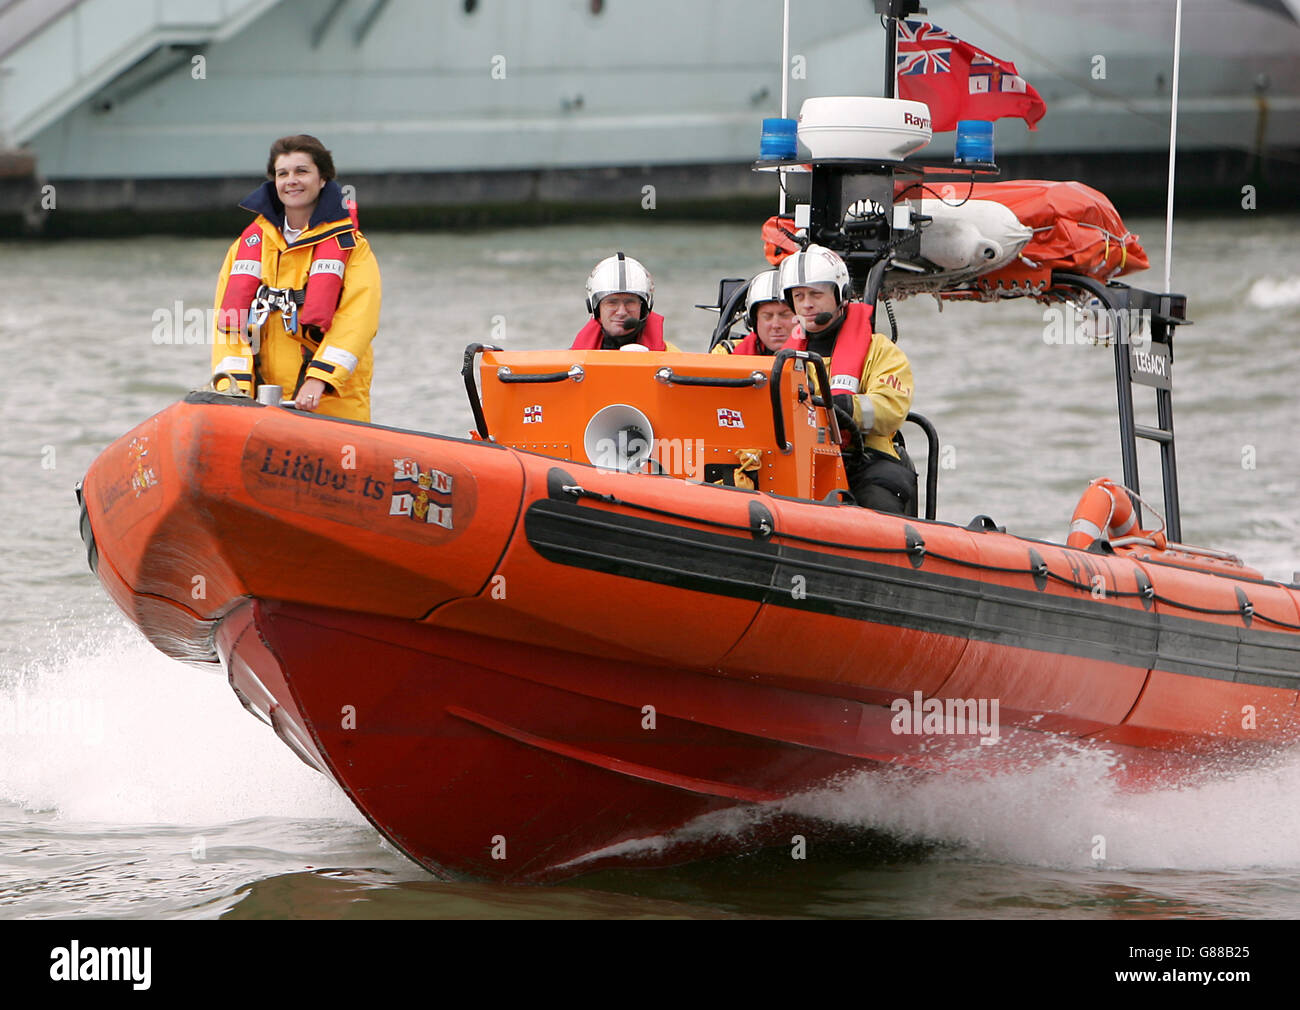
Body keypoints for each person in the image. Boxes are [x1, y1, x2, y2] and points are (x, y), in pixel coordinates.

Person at [211, 134, 380, 421]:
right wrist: (232, 389)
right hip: (259, 404)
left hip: (329, 403)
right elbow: (227, 323)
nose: (291, 180)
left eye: (302, 171)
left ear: (323, 178)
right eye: (283, 173)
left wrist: (320, 377)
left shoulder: (352, 246)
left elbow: (357, 320)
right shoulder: (247, 245)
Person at [778, 244, 917, 514]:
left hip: (864, 458)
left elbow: (892, 407)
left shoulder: (879, 350)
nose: (806, 303)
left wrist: (842, 407)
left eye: (816, 294)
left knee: (880, 495)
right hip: (797, 457)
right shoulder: (783, 358)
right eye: (799, 295)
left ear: (840, 295)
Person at [571, 252, 680, 351]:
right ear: (595, 308)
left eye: (630, 302)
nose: (621, 312)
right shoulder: (571, 361)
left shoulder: (671, 357)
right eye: (612, 303)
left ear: (644, 309)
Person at [713, 269, 800, 355]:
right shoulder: (727, 355)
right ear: (753, 321)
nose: (776, 325)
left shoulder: (813, 353)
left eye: (784, 315)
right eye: (767, 316)